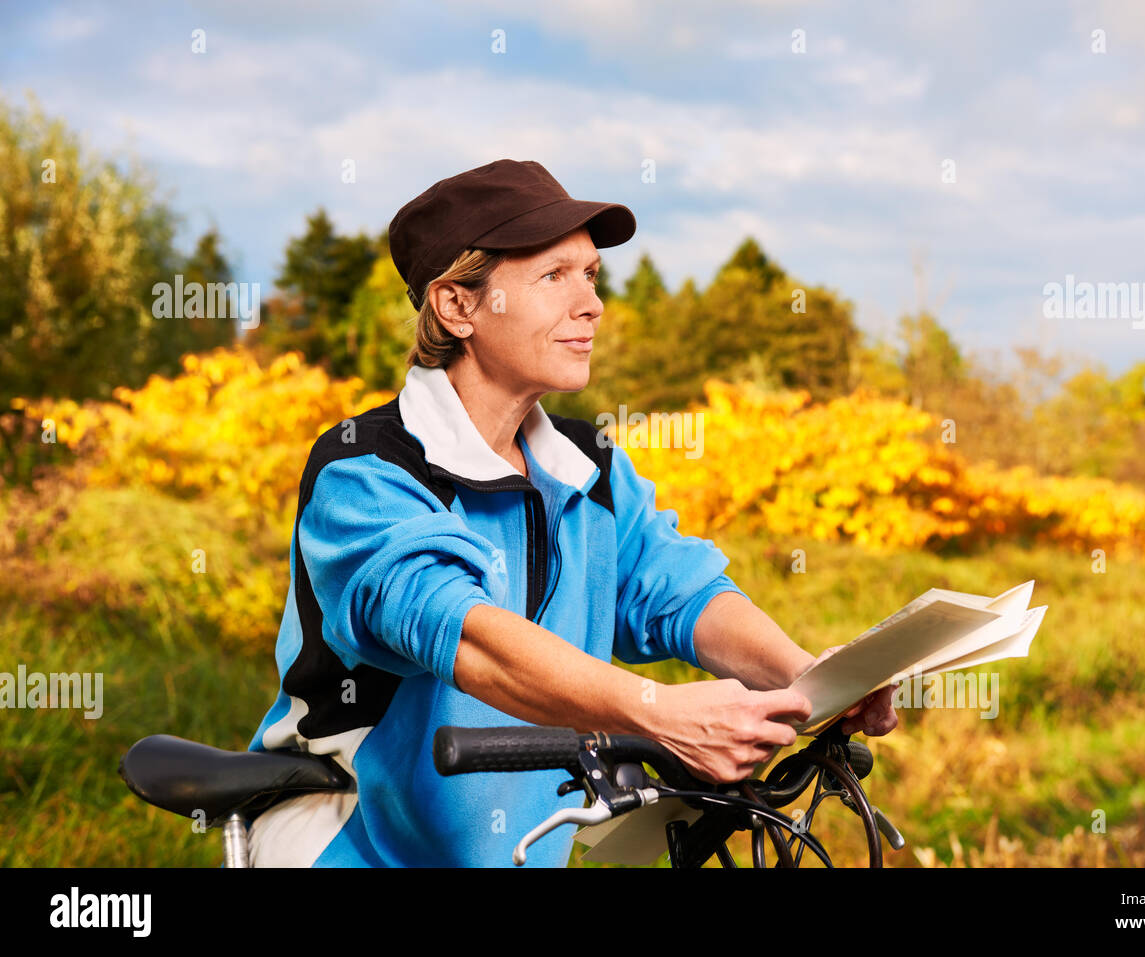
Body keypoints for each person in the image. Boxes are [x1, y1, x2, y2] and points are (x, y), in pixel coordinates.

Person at [245, 159, 898, 866]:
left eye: (590, 275)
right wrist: (662, 713)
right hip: (350, 843)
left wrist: (808, 680)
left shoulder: (593, 470)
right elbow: (469, 640)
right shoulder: (366, 471)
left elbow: (682, 592)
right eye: (553, 276)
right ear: (458, 306)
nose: (591, 304)